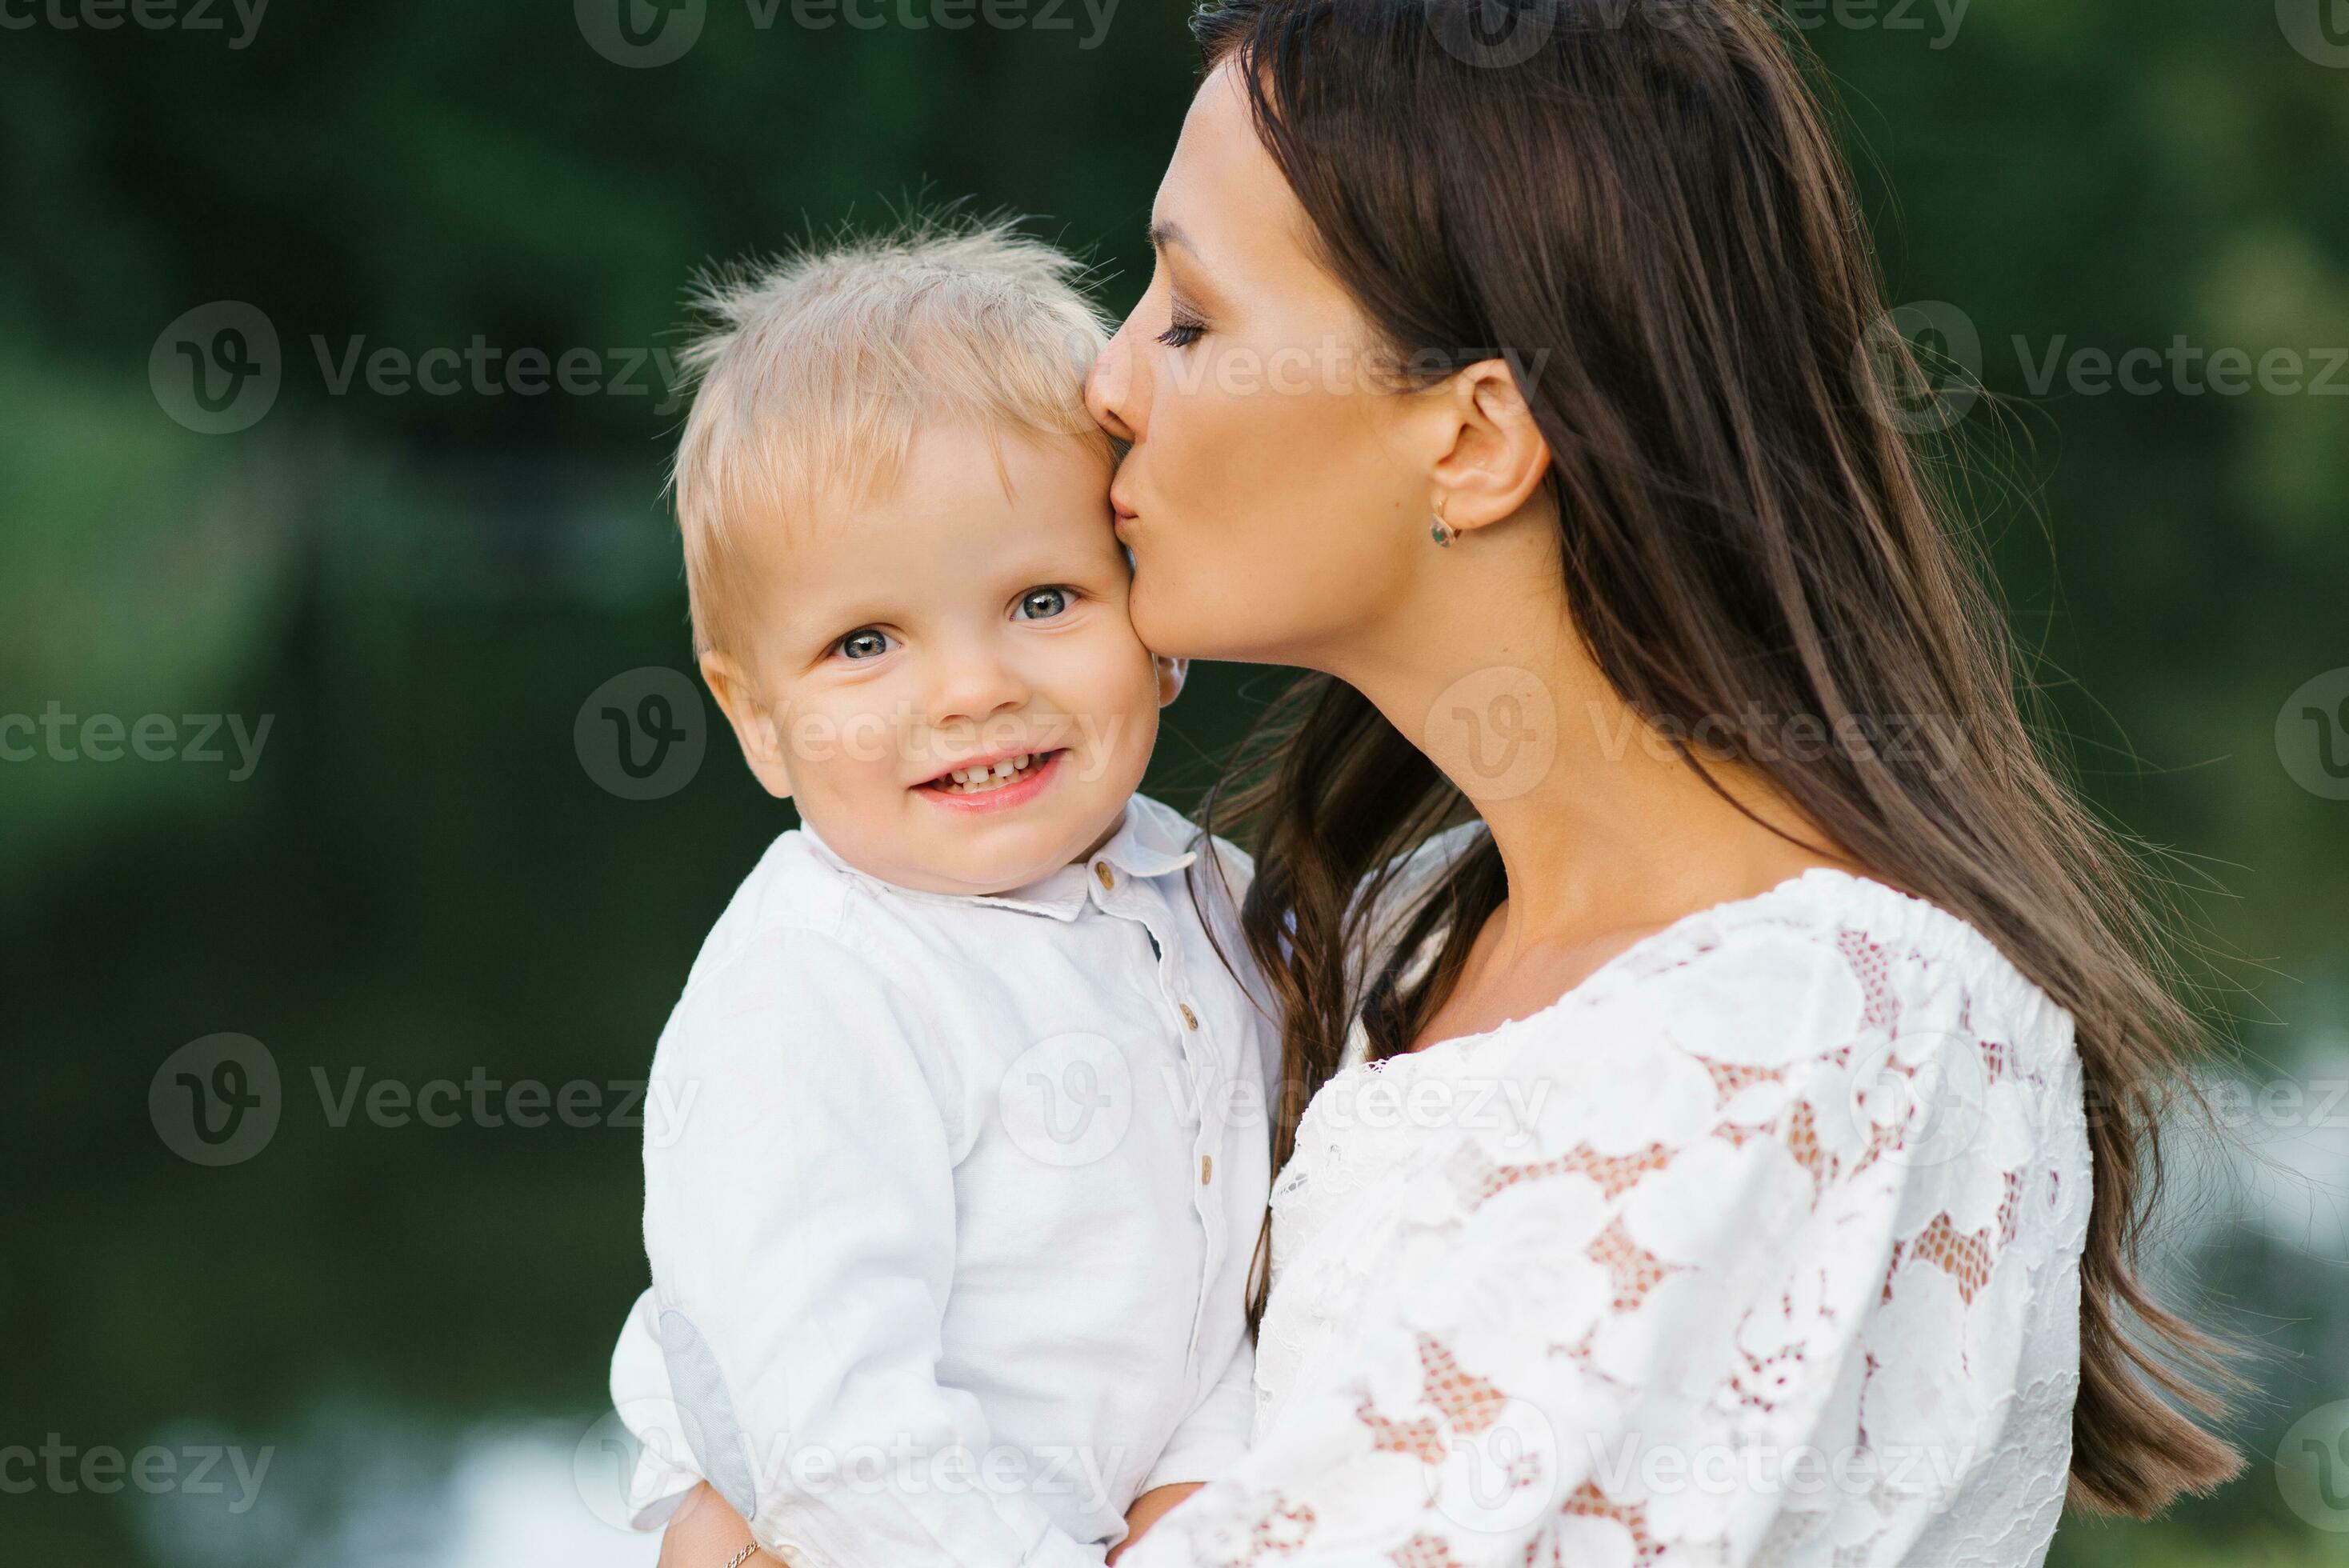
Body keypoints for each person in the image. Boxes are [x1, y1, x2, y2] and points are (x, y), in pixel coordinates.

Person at [1080, 2, 2240, 1562]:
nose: (1105, 378)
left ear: (1477, 437)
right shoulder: (1395, 934)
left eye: (1191, 317)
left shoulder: (1805, 1036)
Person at [604, 218, 1275, 1568]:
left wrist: (1202, 1496)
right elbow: (827, 1430)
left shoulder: (1217, 902)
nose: (971, 691)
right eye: (866, 642)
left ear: (1153, 624)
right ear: (757, 721)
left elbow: (1234, 1279)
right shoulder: (816, 983)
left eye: (1042, 600)